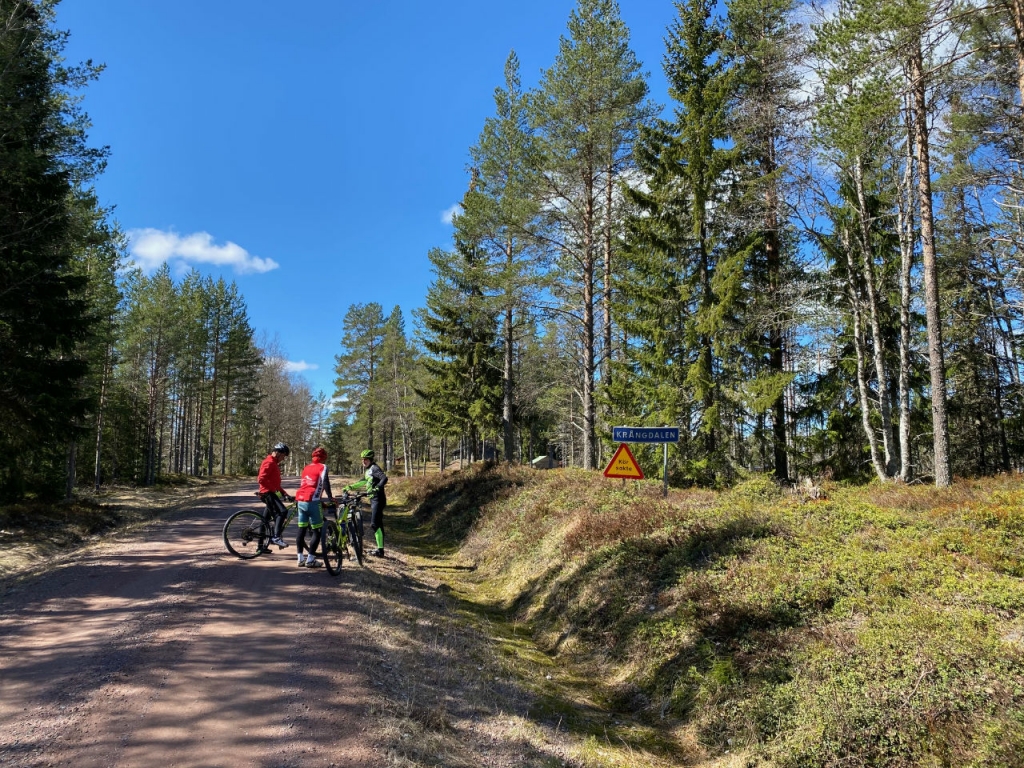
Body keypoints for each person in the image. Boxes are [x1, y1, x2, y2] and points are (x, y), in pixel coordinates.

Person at [294, 446, 335, 568]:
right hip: (313, 501)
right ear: (324, 457)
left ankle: (300, 559)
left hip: (300, 500)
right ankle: (310, 560)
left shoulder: (306, 467)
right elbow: (325, 482)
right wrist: (330, 497)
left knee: (301, 529)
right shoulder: (323, 467)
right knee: (317, 531)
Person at [344, 449, 387, 557]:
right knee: (378, 523)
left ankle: (380, 550)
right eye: (363, 459)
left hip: (378, 499)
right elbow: (363, 481)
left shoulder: (374, 468)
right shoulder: (368, 470)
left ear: (371, 460)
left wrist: (377, 487)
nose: (364, 461)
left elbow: (384, 478)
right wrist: (350, 487)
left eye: (366, 460)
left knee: (374, 524)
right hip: (373, 499)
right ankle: (380, 550)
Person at [257, 442, 293, 548]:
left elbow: (276, 485)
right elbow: (261, 479)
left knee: (265, 520)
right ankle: (276, 537)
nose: (283, 458)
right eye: (283, 456)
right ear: (278, 453)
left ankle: (260, 546)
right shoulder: (269, 462)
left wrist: (284, 494)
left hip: (270, 492)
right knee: (283, 512)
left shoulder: (274, 463)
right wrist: (272, 489)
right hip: (267, 493)